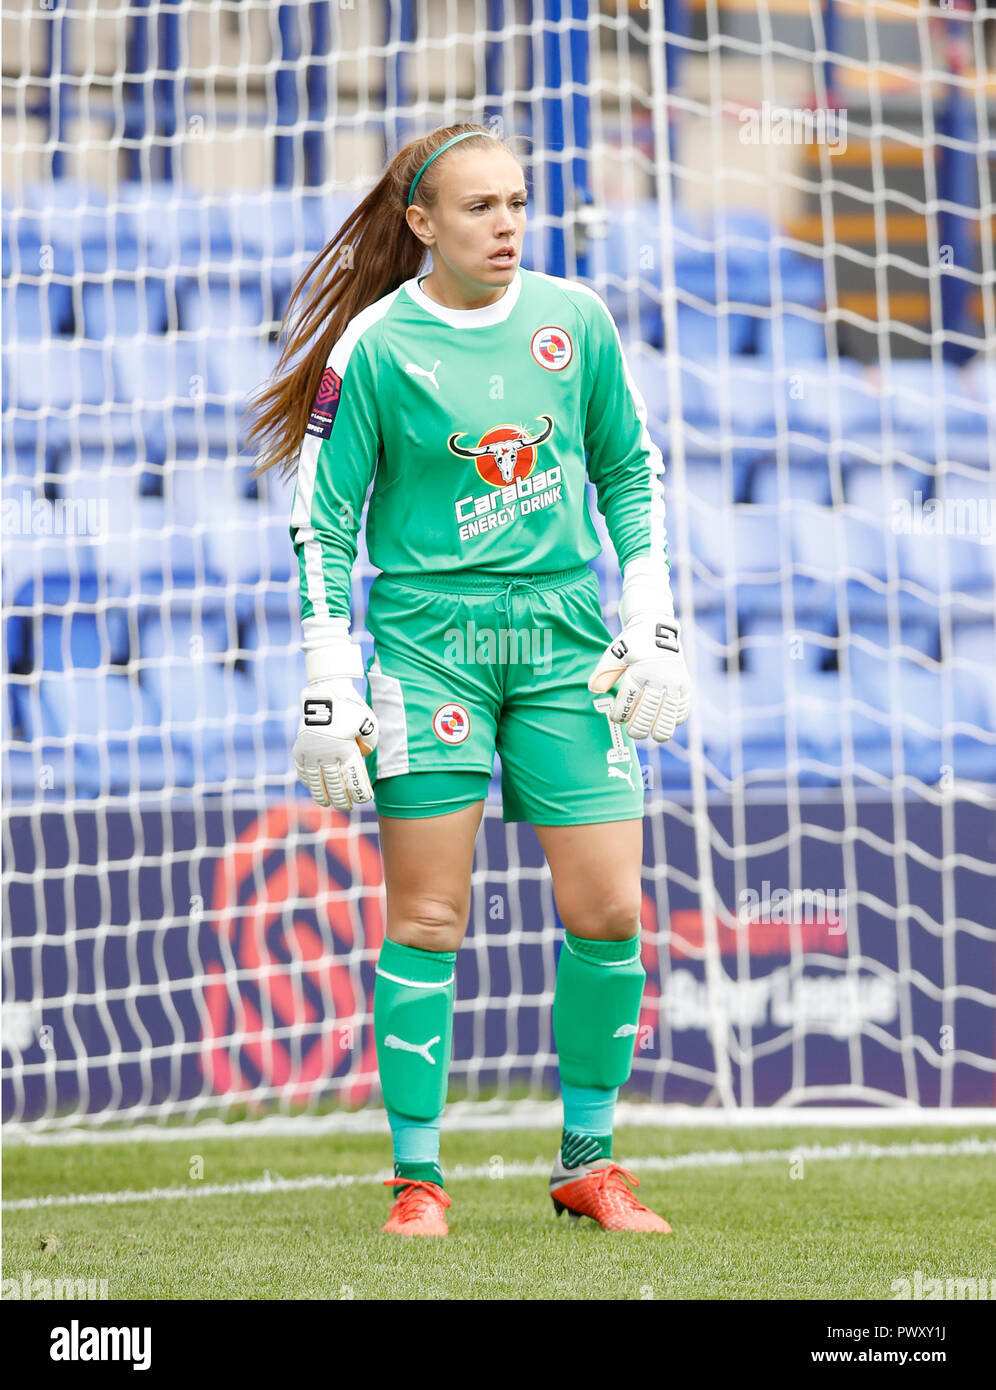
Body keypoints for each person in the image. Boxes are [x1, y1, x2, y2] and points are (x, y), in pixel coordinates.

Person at [246, 122, 692, 1237]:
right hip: (428, 643)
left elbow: (630, 469)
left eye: (519, 203)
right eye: (482, 207)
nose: (507, 226)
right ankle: (418, 1182)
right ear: (422, 223)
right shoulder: (376, 346)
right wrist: (327, 671)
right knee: (432, 916)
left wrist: (651, 611)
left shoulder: (574, 322)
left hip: (559, 640)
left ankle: (588, 1163)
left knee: (610, 908)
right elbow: (324, 517)